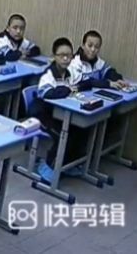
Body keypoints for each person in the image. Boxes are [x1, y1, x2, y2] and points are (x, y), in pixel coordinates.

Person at [34, 37, 92, 182]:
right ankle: (48, 167)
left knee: (80, 130)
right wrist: (68, 89)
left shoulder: (70, 73)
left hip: (61, 115)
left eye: (69, 56)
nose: (66, 59)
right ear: (54, 56)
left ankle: (66, 164)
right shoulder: (48, 74)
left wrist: (74, 88)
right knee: (64, 136)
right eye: (62, 55)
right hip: (44, 116)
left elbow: (84, 83)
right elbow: (47, 93)